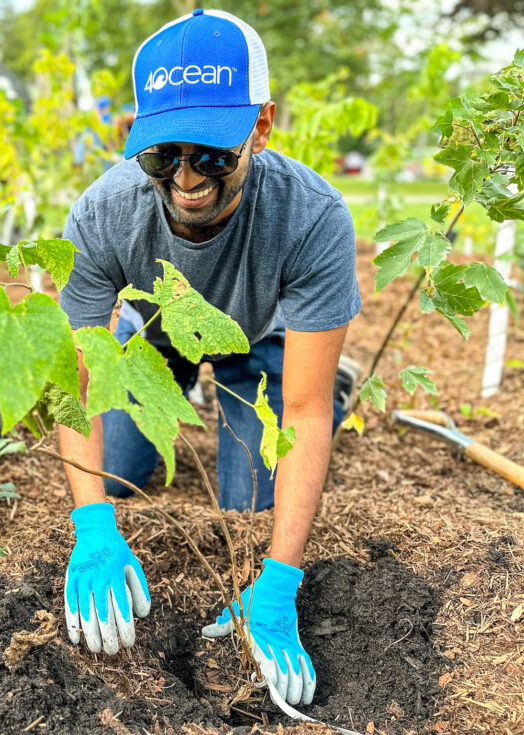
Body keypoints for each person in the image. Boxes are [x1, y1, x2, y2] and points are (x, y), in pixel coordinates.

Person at [58, 9, 362, 708]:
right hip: (151, 344)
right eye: (164, 154)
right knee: (122, 471)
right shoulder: (102, 215)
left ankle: (309, 368)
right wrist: (93, 523)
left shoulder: (312, 217)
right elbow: (74, 384)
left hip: (258, 342)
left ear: (261, 126)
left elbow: (306, 414)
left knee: (249, 509)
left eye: (213, 153)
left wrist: (280, 579)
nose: (186, 177)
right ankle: (185, 396)